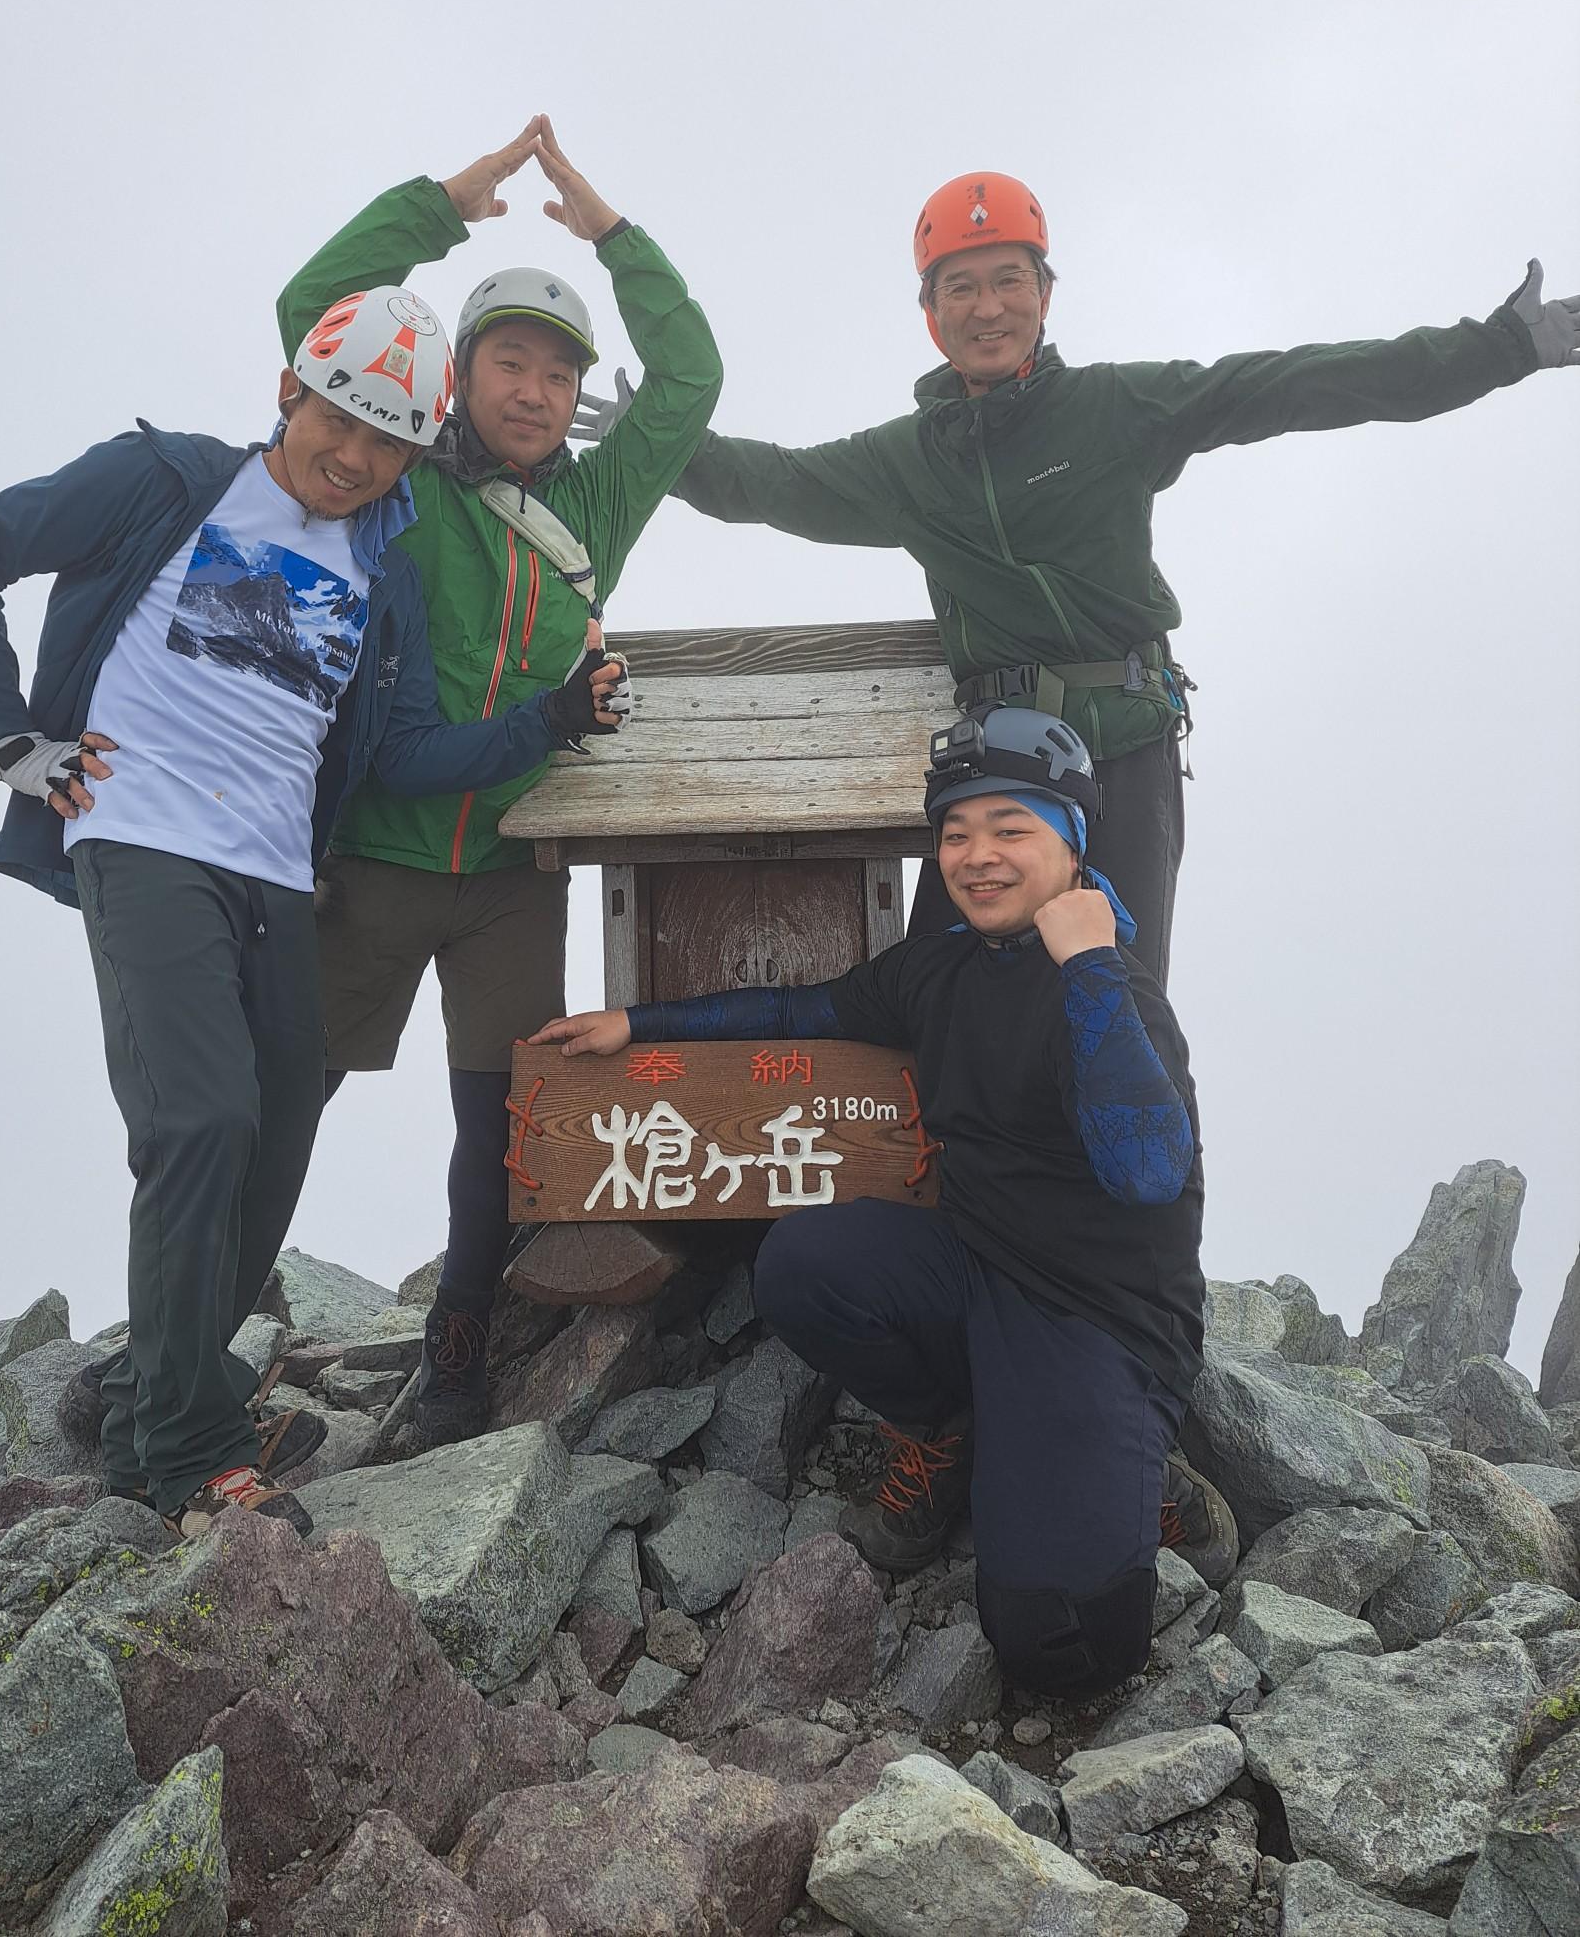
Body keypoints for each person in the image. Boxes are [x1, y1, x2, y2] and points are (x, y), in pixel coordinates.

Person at [0, 280, 622, 1537]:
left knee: (280, 1128)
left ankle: (147, 1398)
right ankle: (192, 1456)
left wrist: (549, 719)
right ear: (287, 392)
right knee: (198, 1118)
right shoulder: (167, 482)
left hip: (279, 873)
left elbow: (399, 755)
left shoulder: (383, 567)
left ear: (417, 447)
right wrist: (11, 734)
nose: (350, 456)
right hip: (140, 837)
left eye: (385, 437)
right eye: (333, 418)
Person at [666, 173, 1580, 982]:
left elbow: (1293, 385)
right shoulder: (906, 463)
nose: (987, 309)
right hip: (1001, 766)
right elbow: (772, 483)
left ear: (1046, 293)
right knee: (948, 1000)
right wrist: (660, 446)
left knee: (1120, 1001)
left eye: (1009, 280)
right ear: (931, 313)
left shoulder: (1115, 407)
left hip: (1125, 752)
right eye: (961, 288)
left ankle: (1131, 1181)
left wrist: (1497, 349)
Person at [530, 705, 1237, 1702]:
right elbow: (795, 1007)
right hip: (979, 1267)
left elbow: (1148, 1171)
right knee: (805, 1263)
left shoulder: (1112, 990)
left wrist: (1085, 963)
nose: (977, 855)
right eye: (956, 832)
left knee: (1054, 1642)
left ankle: (1148, 1472)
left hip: (1102, 1319)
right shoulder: (940, 966)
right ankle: (947, 1430)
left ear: (1071, 841)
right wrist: (637, 1020)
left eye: (1011, 828)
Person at [276, 116, 722, 1451]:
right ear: (459, 376)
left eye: (552, 370)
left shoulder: (590, 510)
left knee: (503, 1124)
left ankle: (458, 1350)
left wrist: (605, 231)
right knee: (280, 1094)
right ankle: (198, 1332)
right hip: (372, 854)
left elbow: (690, 376)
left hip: (510, 878)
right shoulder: (394, 483)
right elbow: (314, 319)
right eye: (506, 362)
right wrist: (439, 206)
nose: (530, 390)